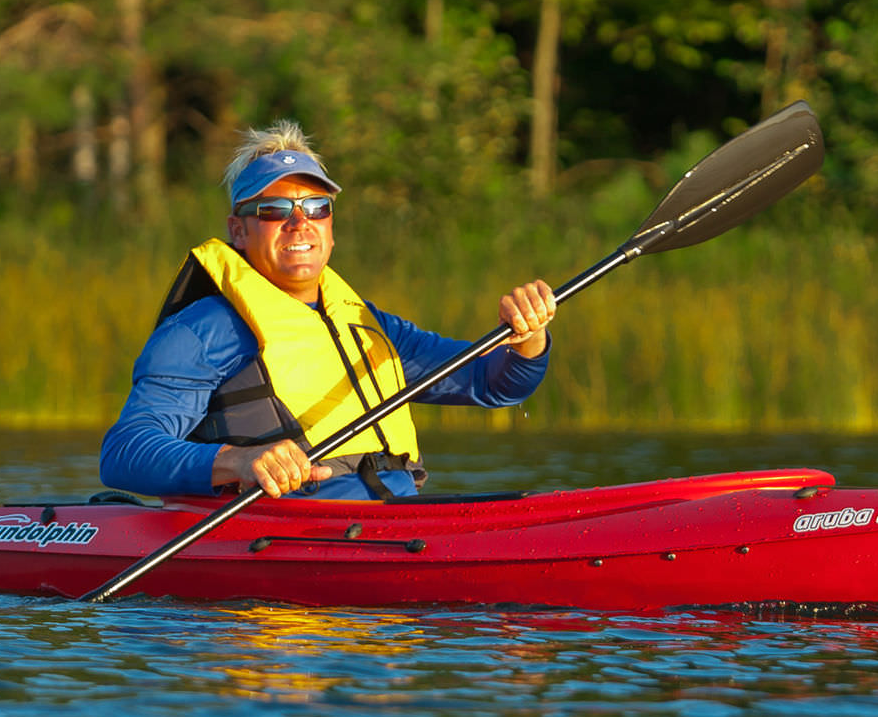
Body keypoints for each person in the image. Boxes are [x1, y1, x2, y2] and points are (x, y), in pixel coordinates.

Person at [100, 121, 556, 500]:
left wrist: (528, 339)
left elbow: (493, 383)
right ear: (239, 230)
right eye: (274, 209)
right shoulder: (201, 332)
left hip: (395, 523)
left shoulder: (367, 324)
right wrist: (237, 461)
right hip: (289, 538)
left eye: (316, 207)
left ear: (331, 226)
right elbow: (124, 453)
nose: (300, 223)